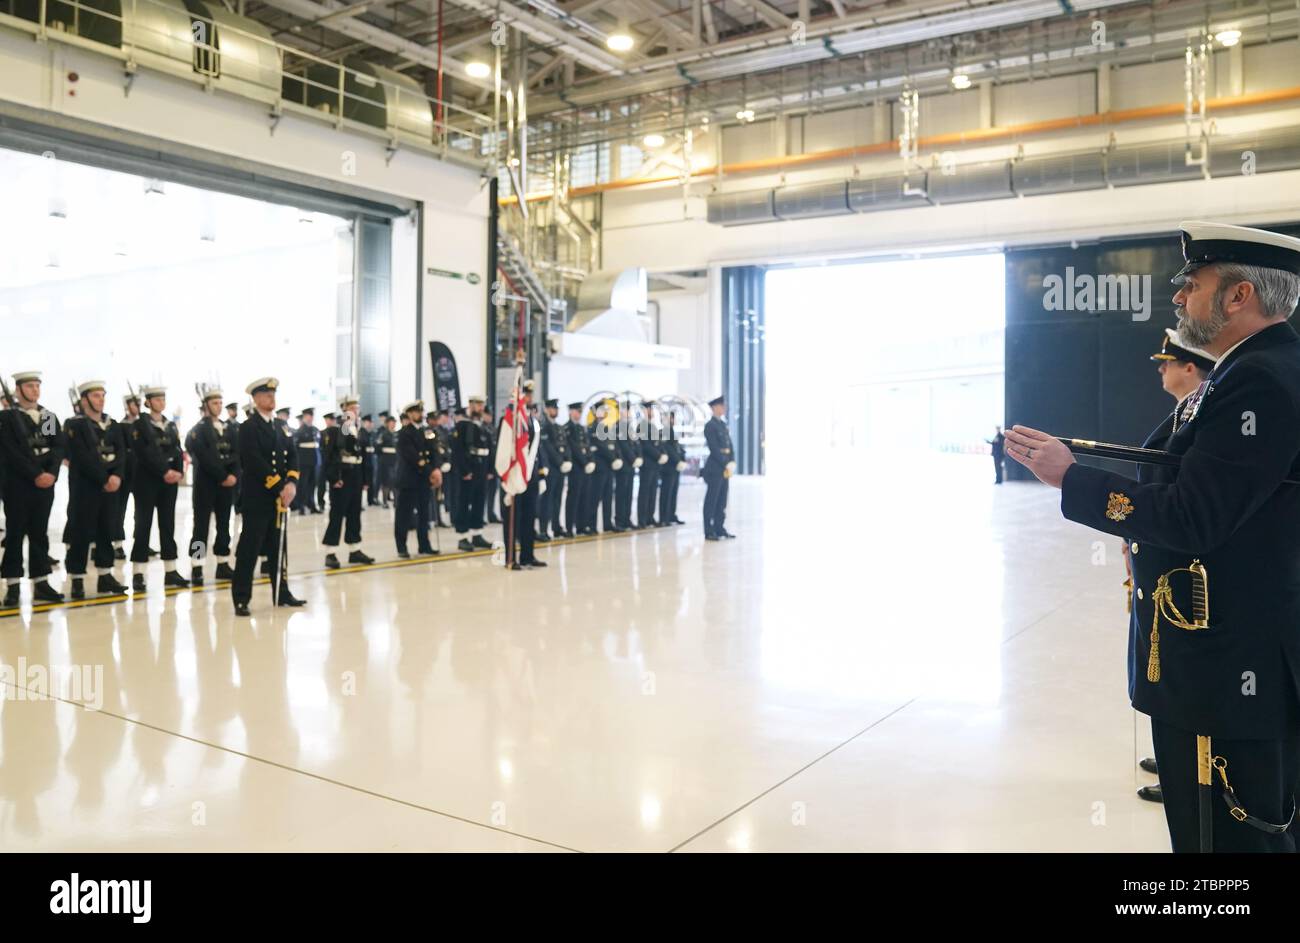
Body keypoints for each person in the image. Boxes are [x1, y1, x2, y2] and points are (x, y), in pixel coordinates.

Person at [1005, 220, 1300, 853]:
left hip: (1230, 669)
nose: (1178, 298)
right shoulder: (1244, 372)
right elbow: (1191, 478)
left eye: (1191, 284)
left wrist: (1073, 480)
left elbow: (1196, 515)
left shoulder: (1260, 380)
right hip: (1221, 660)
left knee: (1230, 842)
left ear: (1238, 296)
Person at [1132, 328, 1219, 805]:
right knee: (1169, 675)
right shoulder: (1184, 412)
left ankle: (1189, 770)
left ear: (1191, 367)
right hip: (1166, 565)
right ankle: (1178, 761)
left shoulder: (1208, 414)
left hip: (1190, 576)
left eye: (1167, 362)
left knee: (1186, 675)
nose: (1161, 369)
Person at [231, 377, 305, 615]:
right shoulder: (248, 427)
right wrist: (279, 486)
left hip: (280, 500)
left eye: (273, 395)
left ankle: (281, 592)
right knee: (249, 549)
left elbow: (292, 456)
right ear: (255, 399)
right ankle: (241, 598)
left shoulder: (281, 426)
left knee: (278, 548)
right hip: (258, 497)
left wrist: (291, 483)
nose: (271, 399)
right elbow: (253, 461)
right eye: (266, 395)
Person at [1, 371, 65, 606]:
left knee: (39, 533)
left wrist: (51, 473)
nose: (35, 390)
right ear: (18, 390)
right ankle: (13, 585)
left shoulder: (47, 416)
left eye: (37, 385)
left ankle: (40, 581)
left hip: (44, 485)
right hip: (19, 485)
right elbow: (11, 452)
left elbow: (56, 447)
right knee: (15, 533)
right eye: (29, 386)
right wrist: (35, 474)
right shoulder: (7, 417)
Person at [62, 381, 130, 600]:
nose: (101, 399)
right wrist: (104, 478)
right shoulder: (74, 425)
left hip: (110, 487)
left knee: (106, 530)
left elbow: (121, 452)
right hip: (86, 488)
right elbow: (82, 457)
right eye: (96, 395)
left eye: (102, 395)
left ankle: (105, 575)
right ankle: (77, 578)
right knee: (80, 533)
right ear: (84, 400)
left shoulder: (113, 424)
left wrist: (117, 476)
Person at [129, 386, 189, 592]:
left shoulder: (170, 425)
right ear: (148, 402)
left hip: (169, 482)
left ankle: (171, 570)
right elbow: (145, 453)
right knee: (143, 526)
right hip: (147, 481)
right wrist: (164, 470)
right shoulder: (139, 425)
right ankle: (138, 572)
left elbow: (177, 449)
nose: (161, 402)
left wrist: (178, 472)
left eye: (163, 399)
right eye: (157, 399)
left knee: (168, 525)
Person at [186, 386, 239, 586]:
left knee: (224, 525)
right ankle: (197, 565)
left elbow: (237, 453)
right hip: (205, 485)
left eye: (220, 403)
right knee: (201, 527)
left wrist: (233, 474)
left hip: (226, 485)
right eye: (215, 403)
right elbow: (204, 458)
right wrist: (223, 475)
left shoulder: (229, 428)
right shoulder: (198, 430)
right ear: (206, 405)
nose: (219, 406)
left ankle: (223, 563)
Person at [495, 380, 547, 569]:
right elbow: (502, 451)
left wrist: (540, 475)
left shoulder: (532, 420)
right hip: (515, 476)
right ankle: (510, 558)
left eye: (530, 394)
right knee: (512, 519)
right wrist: (506, 479)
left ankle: (527, 555)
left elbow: (536, 450)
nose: (529, 397)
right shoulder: (509, 420)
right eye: (526, 394)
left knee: (529, 517)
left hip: (530, 475)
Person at [321, 395, 375, 569]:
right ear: (345, 411)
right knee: (337, 514)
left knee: (354, 513)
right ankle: (330, 552)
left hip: (356, 475)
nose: (356, 412)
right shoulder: (338, 430)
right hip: (342, 476)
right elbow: (329, 456)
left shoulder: (357, 430)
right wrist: (334, 478)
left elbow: (364, 456)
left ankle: (354, 549)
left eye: (357, 409)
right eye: (352, 409)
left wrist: (366, 479)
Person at [394, 400, 441, 558]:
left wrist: (435, 469)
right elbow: (414, 458)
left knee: (424, 514)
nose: (420, 414)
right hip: (408, 480)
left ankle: (424, 545)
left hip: (423, 480)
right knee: (404, 515)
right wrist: (431, 471)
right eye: (416, 412)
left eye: (421, 412)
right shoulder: (404, 433)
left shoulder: (426, 432)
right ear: (409, 414)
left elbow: (434, 451)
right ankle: (401, 546)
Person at [453, 395, 492, 552]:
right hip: (468, 469)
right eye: (478, 405)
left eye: (482, 405)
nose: (481, 408)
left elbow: (488, 449)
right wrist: (464, 470)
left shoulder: (482, 426)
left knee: (479, 501)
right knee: (464, 502)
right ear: (471, 405)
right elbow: (458, 451)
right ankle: (462, 536)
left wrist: (489, 470)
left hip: (481, 468)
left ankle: (477, 534)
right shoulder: (462, 425)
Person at [537, 398, 572, 540]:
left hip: (561, 469)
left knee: (558, 499)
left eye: (556, 408)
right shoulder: (543, 426)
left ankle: (556, 527)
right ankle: (543, 529)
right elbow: (547, 448)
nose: (555, 411)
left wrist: (567, 460)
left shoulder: (559, 427)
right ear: (546, 409)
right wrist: (559, 462)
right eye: (552, 408)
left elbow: (566, 445)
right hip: (551, 468)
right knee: (547, 500)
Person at [702, 395, 736, 541]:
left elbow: (729, 445)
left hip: (725, 468)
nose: (724, 408)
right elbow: (714, 448)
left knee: (722, 500)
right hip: (715, 468)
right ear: (715, 407)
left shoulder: (722, 424)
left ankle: (719, 527)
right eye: (722, 406)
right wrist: (725, 462)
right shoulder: (710, 426)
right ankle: (709, 530)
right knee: (712, 500)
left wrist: (732, 461)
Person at [113, 392, 143, 560]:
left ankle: (140, 541)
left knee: (141, 513)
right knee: (120, 510)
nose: (136, 407)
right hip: (125, 473)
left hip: (142, 475)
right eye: (133, 404)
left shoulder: (143, 425)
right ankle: (118, 543)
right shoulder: (121, 425)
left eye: (138, 403)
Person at [586, 401, 621, 533]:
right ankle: (591, 524)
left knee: (608, 497)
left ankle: (607, 523)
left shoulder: (607, 428)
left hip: (609, 467)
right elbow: (601, 447)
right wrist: (613, 458)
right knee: (595, 497)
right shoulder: (592, 428)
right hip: (599, 468)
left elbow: (613, 445)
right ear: (595, 412)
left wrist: (617, 457)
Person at [565, 402, 594, 536]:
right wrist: (584, 462)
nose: (579, 414)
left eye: (580, 412)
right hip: (576, 468)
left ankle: (582, 526)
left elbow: (587, 446)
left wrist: (590, 461)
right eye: (577, 411)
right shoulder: (567, 428)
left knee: (585, 497)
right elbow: (574, 448)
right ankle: (570, 527)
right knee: (573, 499)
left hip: (586, 469)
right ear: (571, 412)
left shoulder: (582, 429)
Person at [638, 400, 667, 528]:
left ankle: (650, 517)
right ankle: (642, 519)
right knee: (644, 492)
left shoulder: (653, 426)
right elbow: (645, 446)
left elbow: (659, 443)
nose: (652, 412)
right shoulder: (642, 426)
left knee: (653, 491)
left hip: (655, 464)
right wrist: (659, 455)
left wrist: (663, 453)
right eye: (649, 409)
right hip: (647, 463)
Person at [659, 407, 687, 526]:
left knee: (673, 492)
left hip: (676, 467)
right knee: (666, 492)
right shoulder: (664, 431)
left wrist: (682, 458)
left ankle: (671, 515)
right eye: (670, 417)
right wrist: (677, 460)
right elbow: (668, 449)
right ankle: (664, 517)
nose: (672, 419)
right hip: (669, 467)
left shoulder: (671, 430)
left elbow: (677, 447)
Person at [292, 408, 321, 514]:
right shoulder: (300, 431)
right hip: (304, 462)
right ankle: (301, 506)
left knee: (313, 485)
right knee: (302, 485)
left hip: (315, 462)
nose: (311, 418)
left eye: (312, 416)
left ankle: (312, 504)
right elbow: (295, 449)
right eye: (309, 416)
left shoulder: (315, 430)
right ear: (304, 417)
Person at [360, 414, 377, 506]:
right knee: (363, 481)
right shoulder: (361, 433)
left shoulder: (372, 433)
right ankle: (360, 502)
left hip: (371, 460)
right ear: (364, 423)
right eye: (369, 422)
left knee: (371, 481)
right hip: (364, 460)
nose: (371, 424)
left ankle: (371, 499)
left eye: (371, 422)